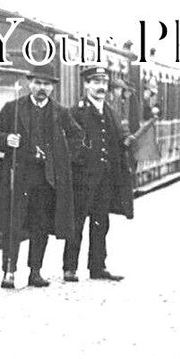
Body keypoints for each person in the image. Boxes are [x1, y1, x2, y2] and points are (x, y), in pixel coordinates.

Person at [0, 64, 83, 289]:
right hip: (18, 175)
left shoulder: (61, 112)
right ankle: (9, 271)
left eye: (47, 84)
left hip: (46, 179)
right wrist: (6, 140)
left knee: (40, 226)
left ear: (52, 87)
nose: (41, 88)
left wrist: (59, 157)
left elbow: (77, 137)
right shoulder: (12, 108)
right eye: (38, 83)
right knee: (12, 225)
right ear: (29, 83)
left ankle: (35, 271)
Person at [64, 65, 135, 282]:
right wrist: (82, 162)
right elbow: (70, 143)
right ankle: (70, 267)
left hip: (106, 179)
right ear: (86, 85)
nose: (100, 87)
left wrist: (126, 142)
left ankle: (97, 267)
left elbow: (115, 140)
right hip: (82, 179)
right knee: (77, 223)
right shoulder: (77, 111)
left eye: (103, 83)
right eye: (95, 82)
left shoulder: (111, 111)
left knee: (101, 223)